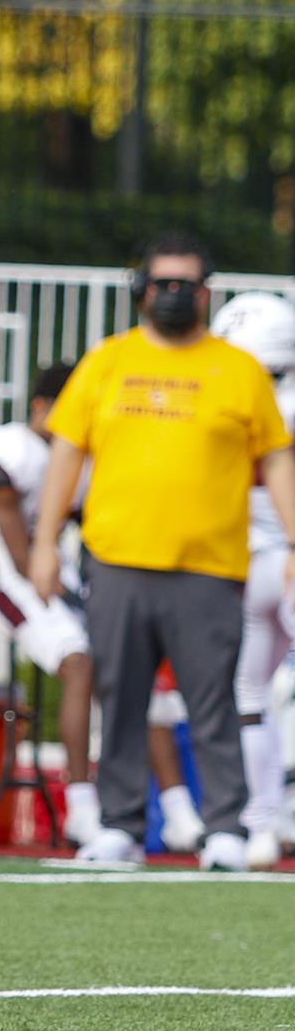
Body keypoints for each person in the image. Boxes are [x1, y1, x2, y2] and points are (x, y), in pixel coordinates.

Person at [31, 234, 295, 872]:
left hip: (208, 566)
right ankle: (120, 827)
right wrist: (43, 543)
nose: (173, 294)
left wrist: (294, 540)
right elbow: (67, 452)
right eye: (161, 283)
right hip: (117, 559)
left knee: (216, 700)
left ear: (206, 292)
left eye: (186, 283)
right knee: (120, 698)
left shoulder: (238, 371)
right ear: (141, 291)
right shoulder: (106, 362)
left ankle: (226, 829)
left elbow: (276, 458)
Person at [0, 364, 101, 844]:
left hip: (55, 577)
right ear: (41, 407)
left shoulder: (80, 462)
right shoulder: (8, 448)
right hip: (6, 575)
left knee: (130, 661)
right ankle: (82, 803)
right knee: (78, 663)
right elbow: (22, 558)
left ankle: (158, 801)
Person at [209, 292, 295, 868]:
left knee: (249, 696)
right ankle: (279, 815)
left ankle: (262, 824)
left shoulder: (222, 397)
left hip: (238, 559)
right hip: (285, 555)